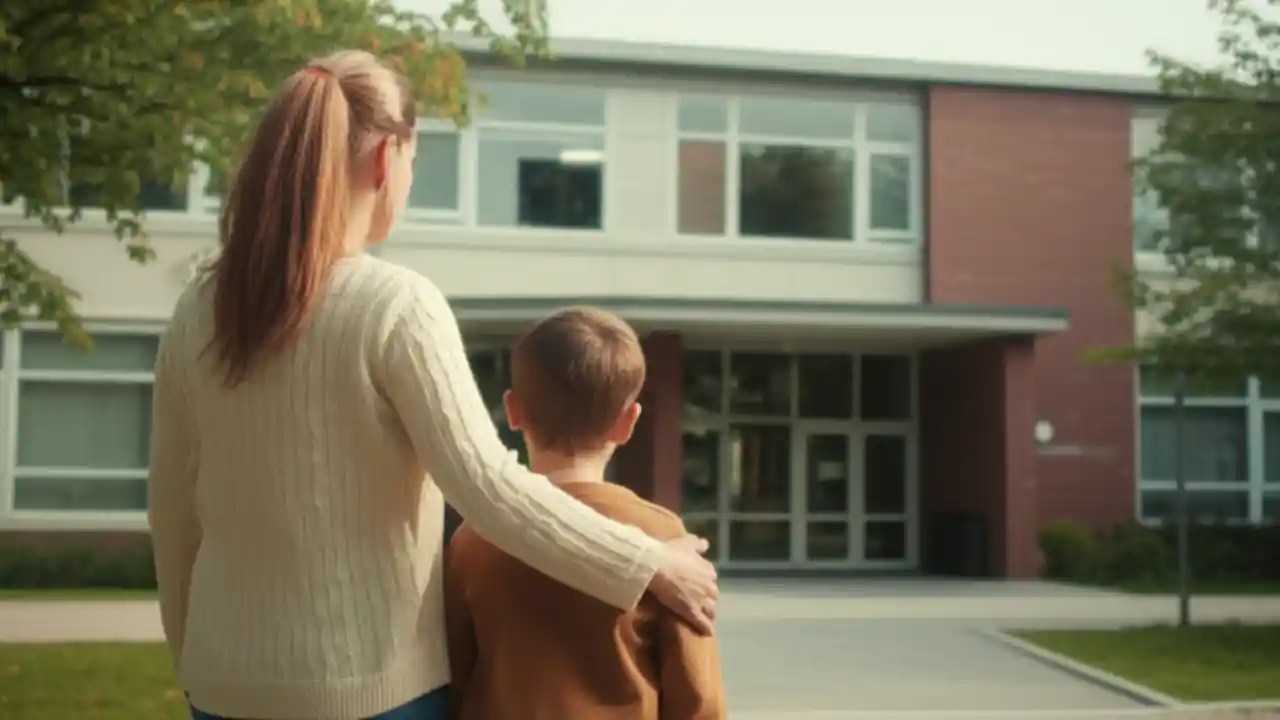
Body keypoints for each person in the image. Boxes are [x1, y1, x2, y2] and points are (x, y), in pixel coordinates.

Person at [146, 50, 717, 720]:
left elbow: (172, 510)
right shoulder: (396, 305)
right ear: (387, 158)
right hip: (372, 696)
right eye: (416, 163)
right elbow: (487, 487)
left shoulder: (198, 308)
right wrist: (650, 564)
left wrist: (195, 660)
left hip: (221, 689)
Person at [446, 307, 726, 720]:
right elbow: (699, 697)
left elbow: (452, 675)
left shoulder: (475, 538)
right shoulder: (662, 536)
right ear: (627, 423)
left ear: (512, 410)